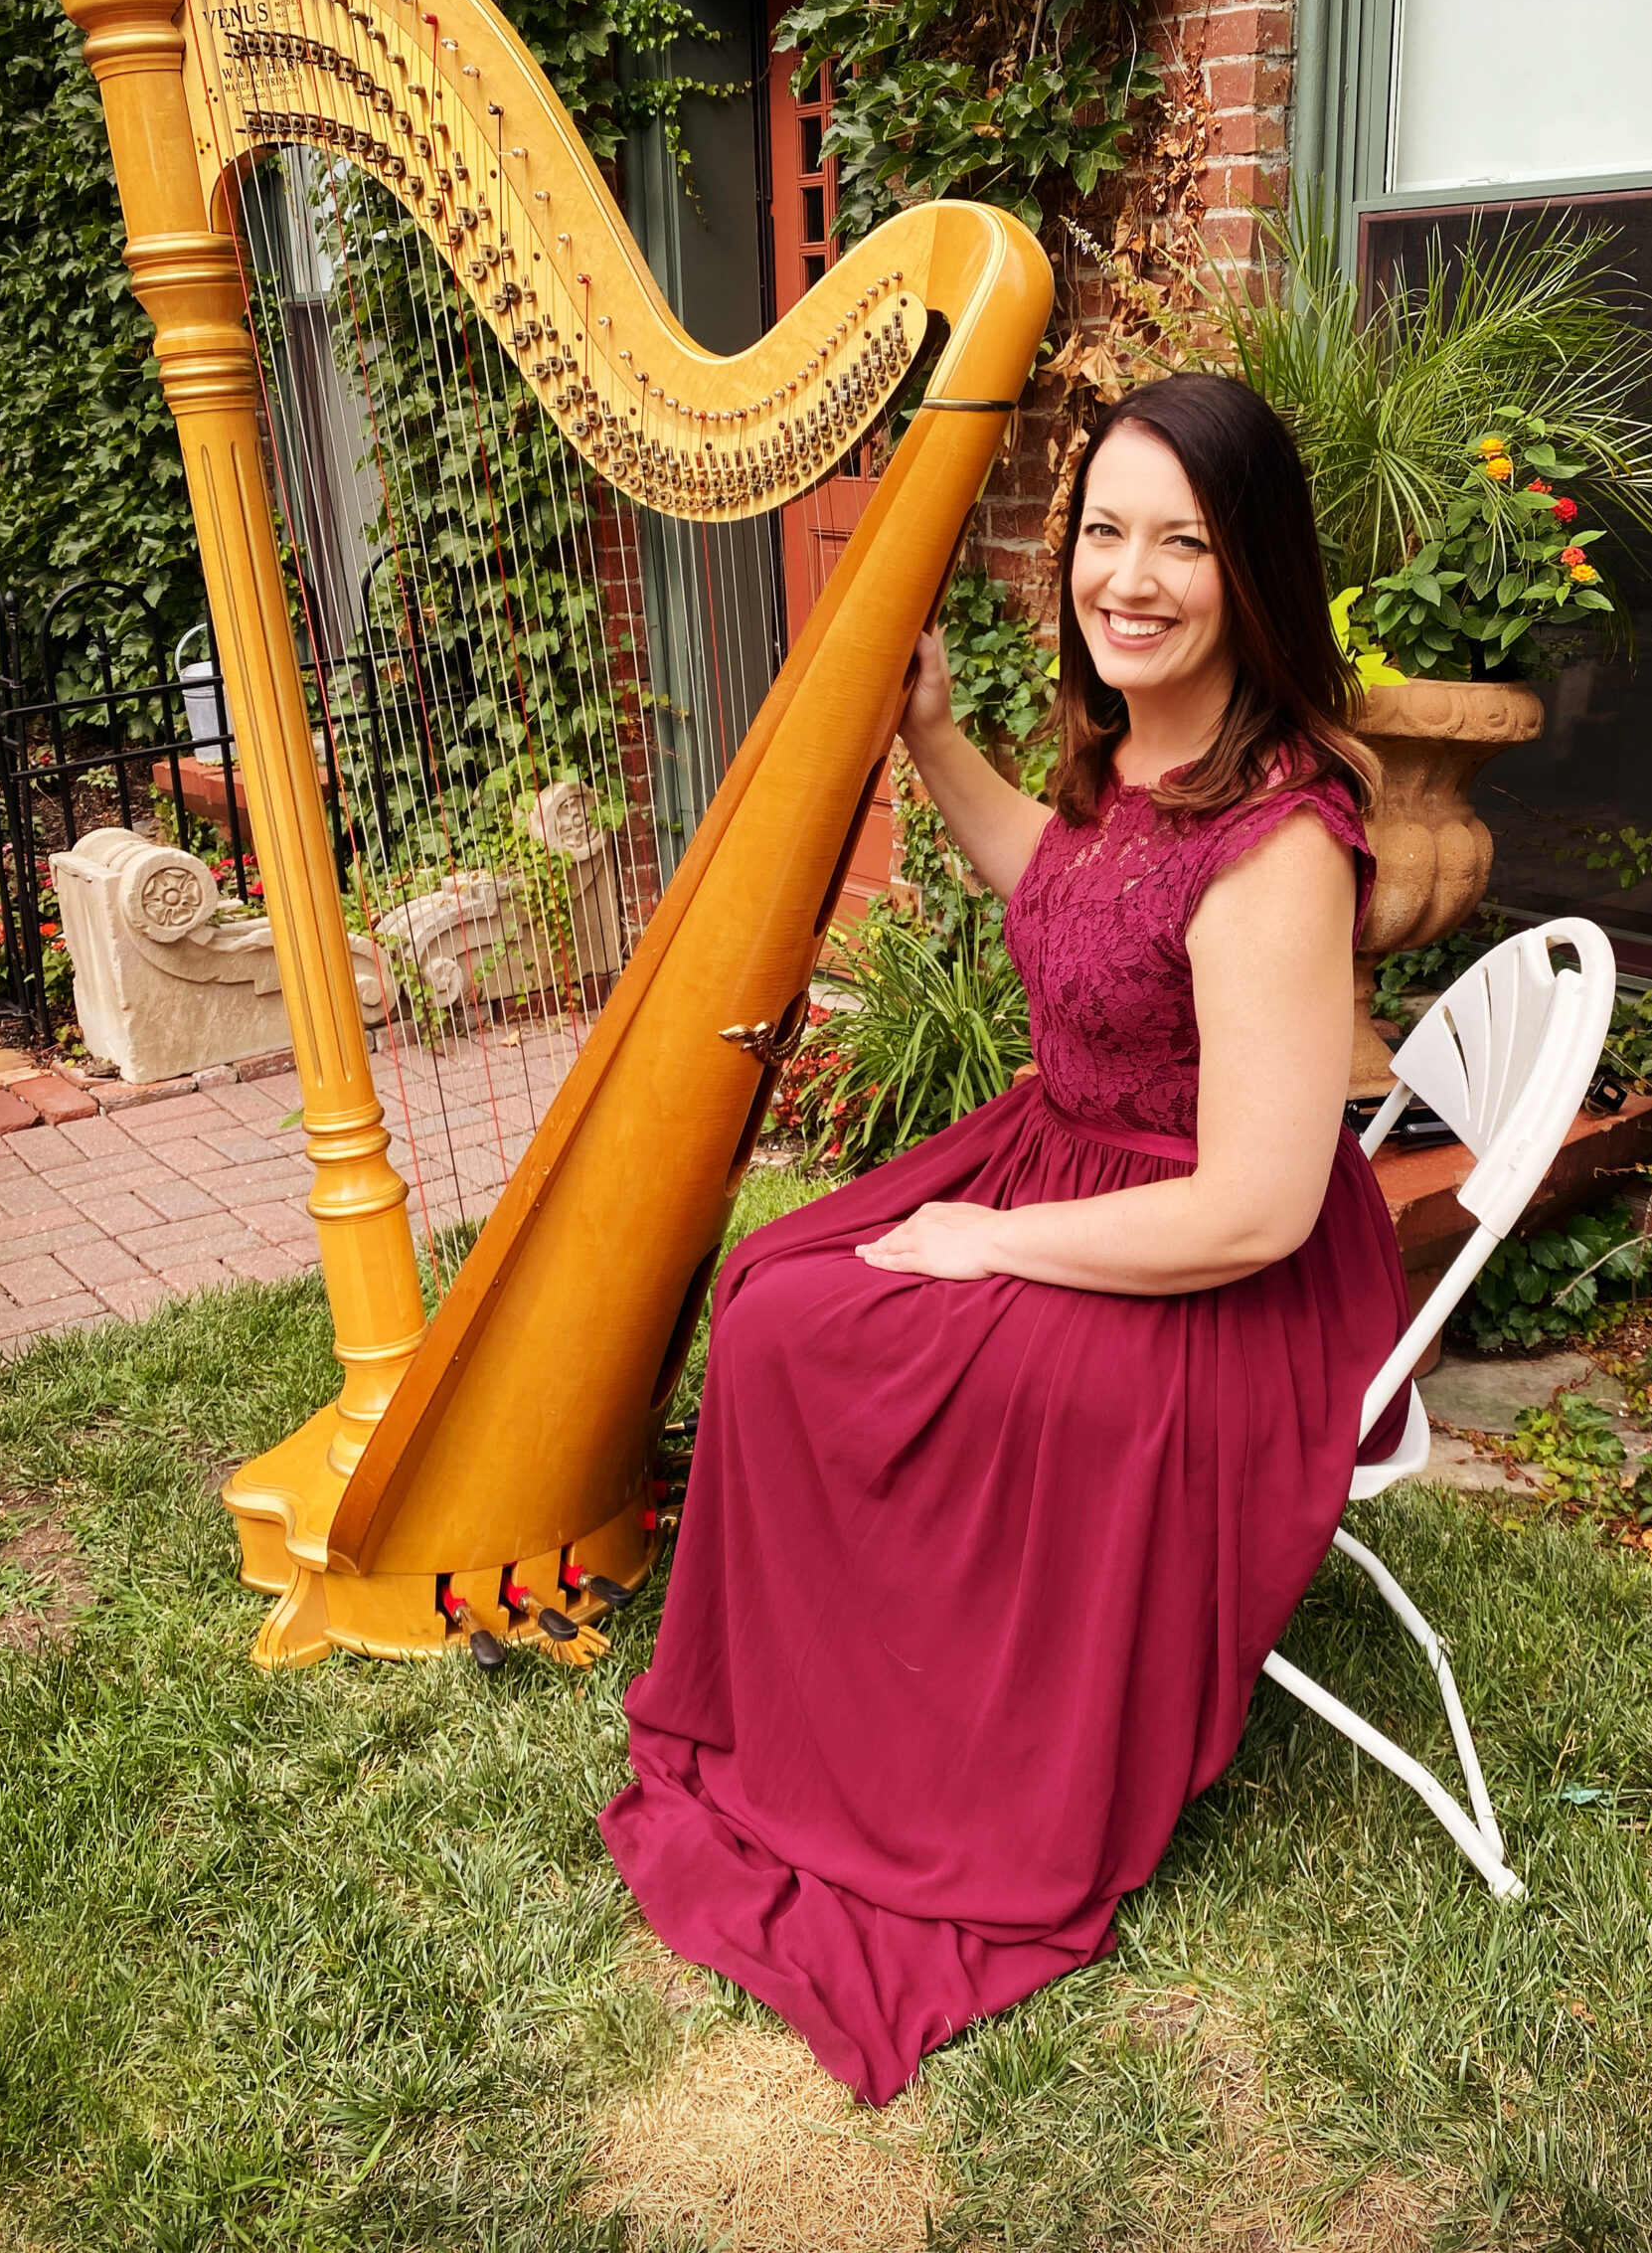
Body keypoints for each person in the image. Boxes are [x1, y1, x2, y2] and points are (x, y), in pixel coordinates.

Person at [599, 371, 1409, 2105]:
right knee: (778, 1289)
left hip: (1217, 1270)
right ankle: (833, 1705)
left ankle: (917, 1756)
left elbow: (1259, 1206)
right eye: (1103, 531)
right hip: (1085, 1169)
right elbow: (1068, 893)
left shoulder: (1277, 840)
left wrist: (991, 1250)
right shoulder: (1146, 756)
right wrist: (927, 735)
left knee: (837, 1330)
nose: (1129, 575)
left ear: (1251, 568)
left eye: (1180, 543)